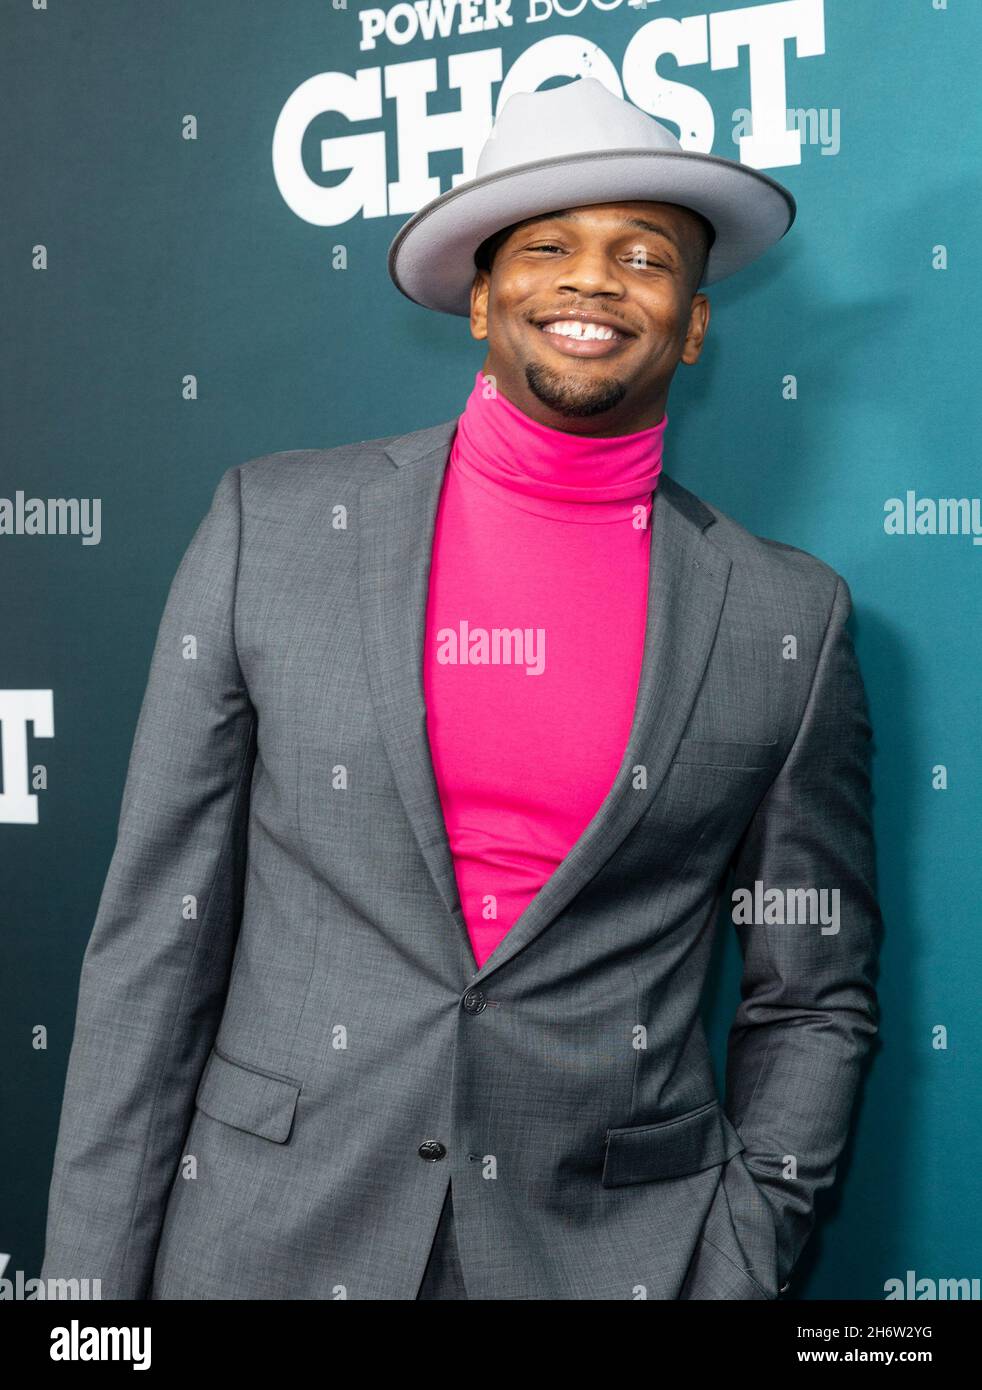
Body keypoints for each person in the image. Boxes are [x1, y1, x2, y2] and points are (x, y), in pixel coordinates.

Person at [40, 77, 880, 1301]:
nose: (593, 280)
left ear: (692, 322)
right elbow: (152, 955)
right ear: (482, 296)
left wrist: (739, 1258)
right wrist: (83, 1317)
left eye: (644, 255)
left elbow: (811, 993)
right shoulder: (267, 530)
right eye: (548, 248)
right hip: (266, 1246)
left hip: (611, 1264)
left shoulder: (786, 615)